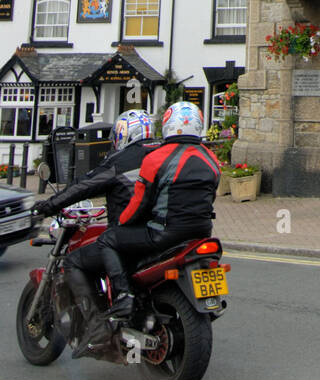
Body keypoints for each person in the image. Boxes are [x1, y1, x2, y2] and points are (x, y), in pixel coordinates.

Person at [85, 99, 221, 322]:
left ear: (167, 124)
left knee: (109, 239)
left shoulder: (155, 157)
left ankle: (124, 296)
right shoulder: (211, 158)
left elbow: (139, 204)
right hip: (201, 232)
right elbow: (211, 194)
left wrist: (121, 223)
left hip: (164, 233)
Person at [34, 108, 154, 355]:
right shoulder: (161, 155)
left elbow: (84, 187)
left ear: (123, 134)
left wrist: (48, 206)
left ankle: (97, 325)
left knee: (73, 261)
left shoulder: (119, 162)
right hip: (160, 234)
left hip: (127, 236)